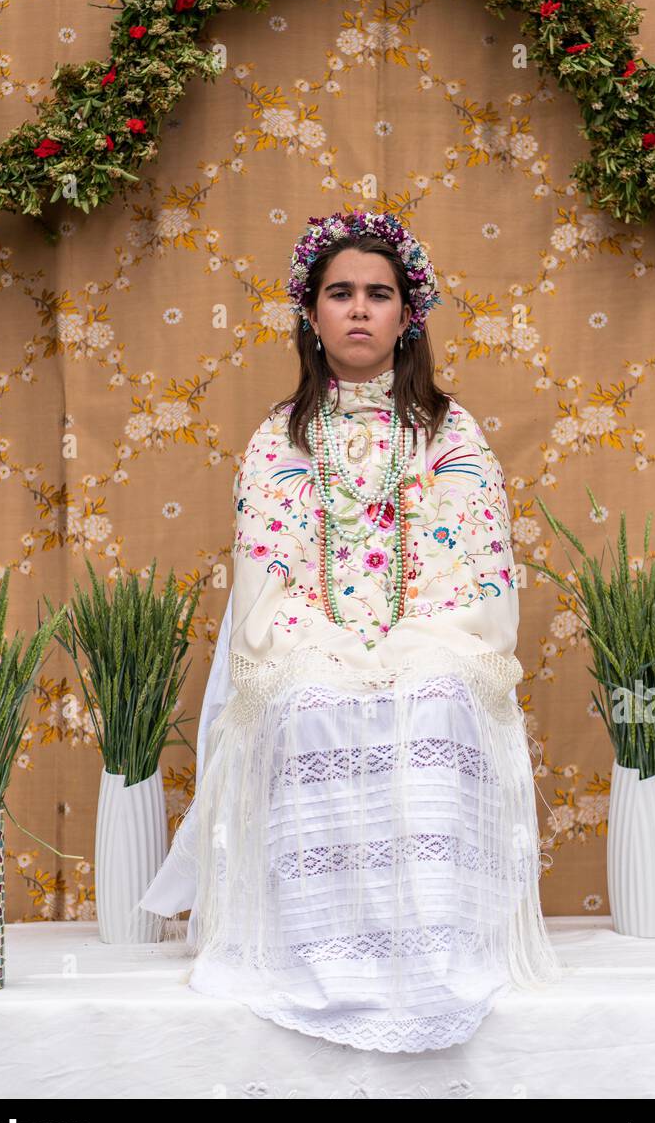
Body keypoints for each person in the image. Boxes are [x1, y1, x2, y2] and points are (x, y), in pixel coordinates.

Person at [138, 209, 562, 1052]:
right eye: (341, 294)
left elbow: (480, 570)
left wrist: (410, 644)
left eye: (379, 294)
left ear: (408, 316)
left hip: (434, 638)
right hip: (313, 642)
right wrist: (332, 648)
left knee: (437, 696)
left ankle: (433, 948)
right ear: (311, 313)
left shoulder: (453, 433)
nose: (360, 309)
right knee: (307, 701)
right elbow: (269, 578)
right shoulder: (277, 440)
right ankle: (321, 948)